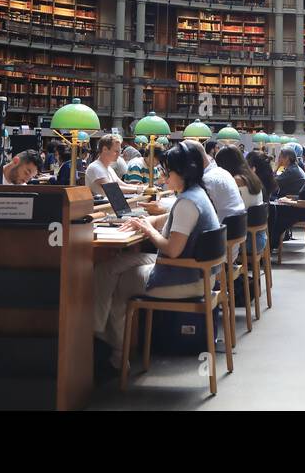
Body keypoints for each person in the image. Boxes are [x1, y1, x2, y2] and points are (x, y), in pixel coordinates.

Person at [94, 141, 222, 369]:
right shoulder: (195, 194)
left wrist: (148, 229)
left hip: (183, 277)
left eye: (167, 171)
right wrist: (147, 221)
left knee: (120, 280)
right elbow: (168, 220)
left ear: (182, 172)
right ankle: (98, 329)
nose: (163, 177)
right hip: (194, 272)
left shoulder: (188, 203)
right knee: (111, 266)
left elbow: (172, 250)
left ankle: (116, 352)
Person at [218, 146, 267, 255]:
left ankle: (226, 269)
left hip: (247, 241)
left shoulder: (236, 180)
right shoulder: (250, 176)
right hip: (259, 237)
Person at [269, 146, 305, 249]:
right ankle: (273, 242)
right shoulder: (293, 168)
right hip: (298, 202)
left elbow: (272, 182)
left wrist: (276, 167)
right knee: (272, 202)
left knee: (270, 209)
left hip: (298, 206)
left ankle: (271, 244)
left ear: (287, 158)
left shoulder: (291, 171)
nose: (278, 159)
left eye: (280, 157)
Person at [200, 141, 246, 223]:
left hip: (232, 228)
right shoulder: (247, 176)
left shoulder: (235, 179)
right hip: (244, 227)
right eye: (217, 147)